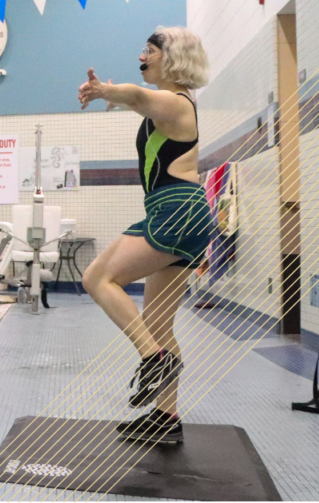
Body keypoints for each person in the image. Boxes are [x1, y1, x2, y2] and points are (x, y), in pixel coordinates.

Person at [78, 26, 212, 445]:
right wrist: (113, 93)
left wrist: (106, 91)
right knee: (157, 322)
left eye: (148, 50)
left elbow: (138, 96)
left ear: (169, 58)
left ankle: (152, 359)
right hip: (183, 214)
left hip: (176, 211)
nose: (143, 55)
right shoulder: (173, 105)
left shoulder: (175, 102)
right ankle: (165, 416)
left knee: (97, 278)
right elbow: (138, 102)